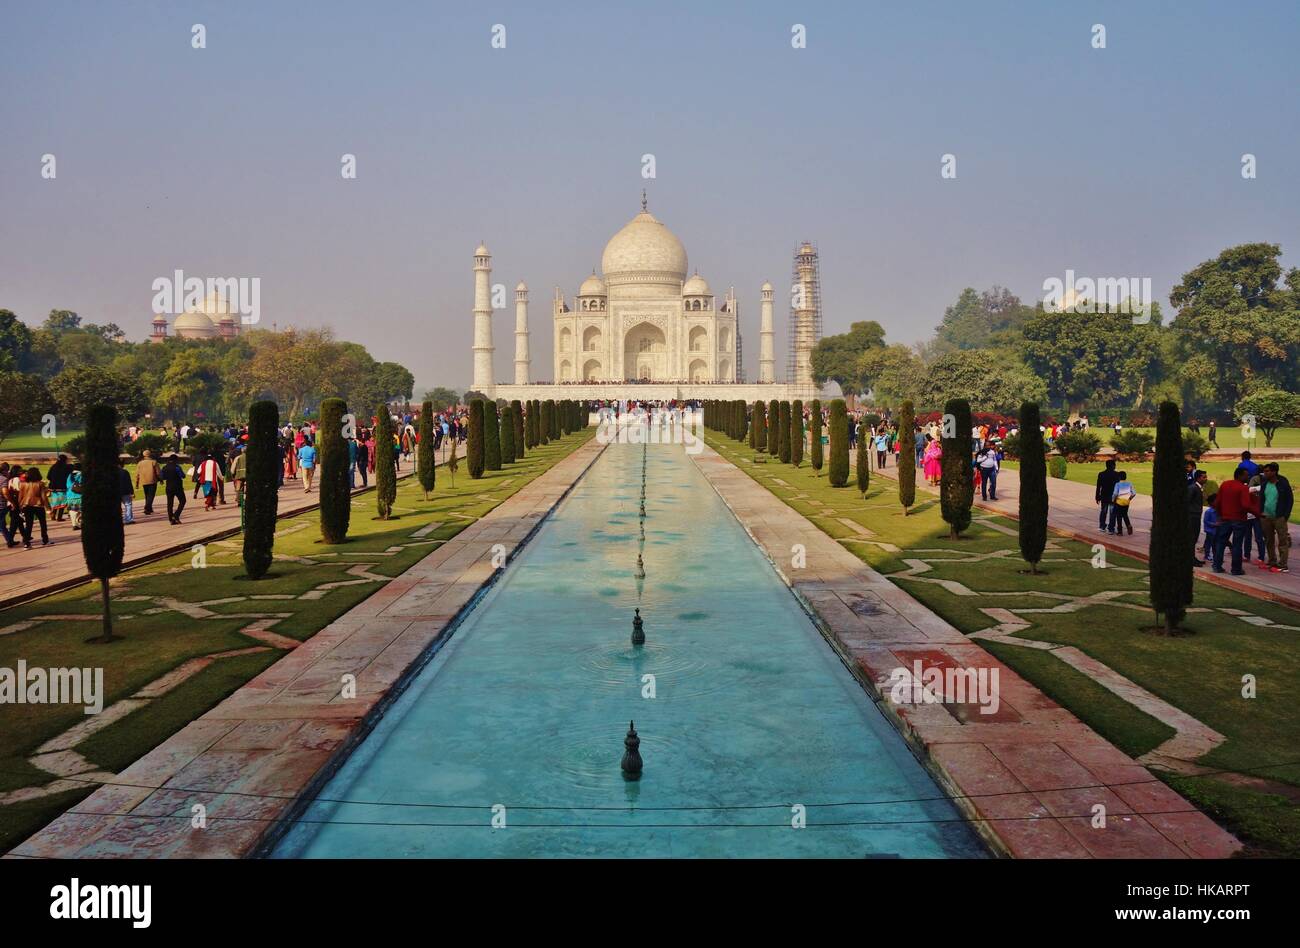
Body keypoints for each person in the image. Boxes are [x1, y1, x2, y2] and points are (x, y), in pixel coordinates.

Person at [1212, 466, 1257, 575]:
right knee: (1237, 544)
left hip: (1226, 518)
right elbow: (1246, 505)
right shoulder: (1243, 488)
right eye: (1246, 475)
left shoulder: (1225, 484)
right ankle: (1236, 569)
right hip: (1239, 519)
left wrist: (1220, 515)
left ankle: (1217, 566)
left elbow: (1217, 502)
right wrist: (1258, 514)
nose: (1248, 477)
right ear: (1240, 475)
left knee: (1221, 543)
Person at [1258, 462, 1292, 573]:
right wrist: (1261, 512)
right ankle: (1272, 561)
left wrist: (1285, 515)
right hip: (1266, 516)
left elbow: (1289, 500)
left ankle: (1283, 564)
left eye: (1267, 471)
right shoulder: (1264, 484)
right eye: (1264, 471)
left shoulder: (1282, 483)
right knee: (1268, 540)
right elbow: (1261, 499)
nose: (1265, 473)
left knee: (1282, 540)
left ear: (1274, 472)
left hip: (1279, 516)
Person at [18, 467, 51, 548]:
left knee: (29, 524)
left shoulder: (22, 484)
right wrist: (48, 507)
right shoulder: (40, 484)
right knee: (43, 523)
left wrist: (20, 505)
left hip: (26, 505)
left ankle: (26, 542)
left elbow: (20, 496)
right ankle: (45, 540)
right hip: (38, 505)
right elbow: (44, 497)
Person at [1188, 470, 1208, 566]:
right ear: (1198, 478)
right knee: (1192, 538)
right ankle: (1191, 559)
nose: (1205, 479)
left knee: (1194, 538)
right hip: (1192, 517)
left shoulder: (1198, 488)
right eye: (1204, 477)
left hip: (1195, 516)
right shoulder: (1193, 488)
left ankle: (1192, 558)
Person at [1095, 460, 1122, 531]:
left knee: (1103, 511)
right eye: (1114, 465)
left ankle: (1102, 526)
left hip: (1104, 495)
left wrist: (1097, 496)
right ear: (1113, 466)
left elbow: (1098, 486)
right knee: (1112, 513)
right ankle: (1111, 528)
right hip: (1113, 496)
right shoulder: (1117, 474)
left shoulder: (1101, 474)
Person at [162, 453, 187, 524]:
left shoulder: (164, 467)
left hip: (169, 487)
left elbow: (162, 477)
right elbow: (182, 476)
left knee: (170, 503)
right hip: (177, 486)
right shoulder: (177, 467)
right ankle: (176, 515)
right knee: (182, 501)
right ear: (175, 460)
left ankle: (171, 519)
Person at [136, 449, 161, 516]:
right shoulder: (154, 462)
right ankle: (147, 508)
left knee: (147, 495)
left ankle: (149, 508)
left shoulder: (140, 463)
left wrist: (137, 483)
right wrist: (161, 479)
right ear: (150, 454)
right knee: (151, 495)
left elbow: (137, 474)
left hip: (144, 481)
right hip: (152, 481)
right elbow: (158, 473)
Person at [1202, 492, 1220, 564]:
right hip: (1210, 530)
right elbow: (1206, 521)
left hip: (1216, 530)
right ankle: (1207, 555)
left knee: (1215, 544)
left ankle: (1216, 556)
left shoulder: (1218, 511)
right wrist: (1214, 524)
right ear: (1211, 502)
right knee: (1208, 543)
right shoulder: (1208, 511)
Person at [118, 458, 136, 524]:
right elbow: (129, 483)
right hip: (125, 491)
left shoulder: (111, 472)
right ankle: (128, 519)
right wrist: (132, 492)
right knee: (128, 505)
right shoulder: (125, 472)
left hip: (116, 492)